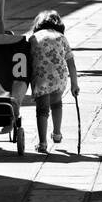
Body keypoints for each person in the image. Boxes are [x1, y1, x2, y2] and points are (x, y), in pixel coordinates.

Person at [28, 9, 79, 154]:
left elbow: (28, 60)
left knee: (42, 110)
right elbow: (71, 63)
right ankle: (57, 133)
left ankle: (42, 143)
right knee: (56, 104)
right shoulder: (62, 37)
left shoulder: (33, 38)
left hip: (41, 77)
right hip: (59, 77)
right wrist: (74, 84)